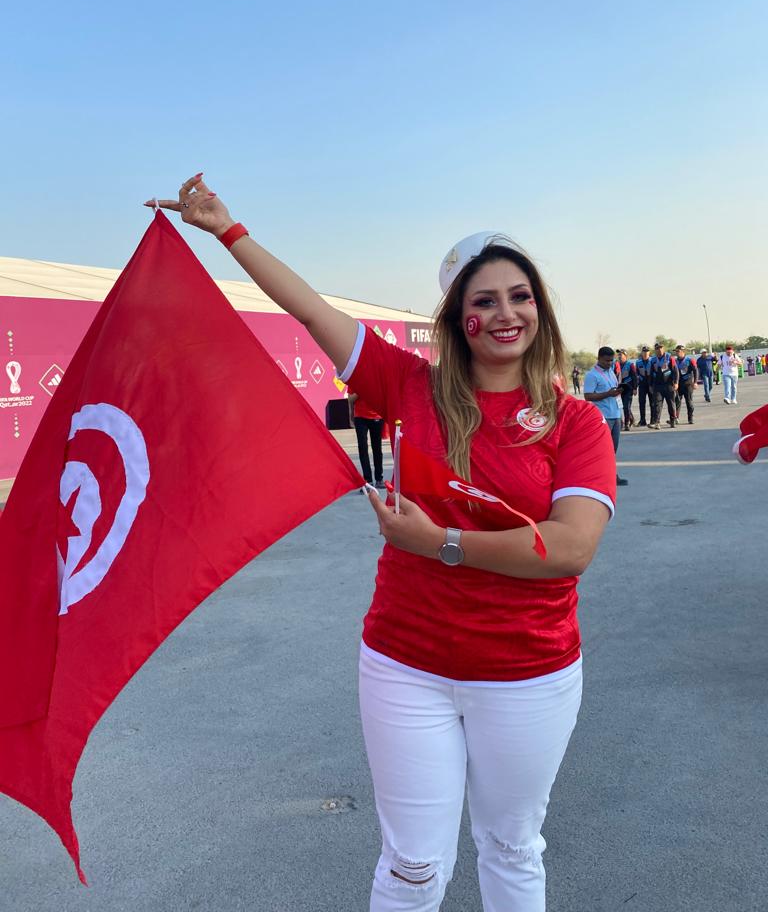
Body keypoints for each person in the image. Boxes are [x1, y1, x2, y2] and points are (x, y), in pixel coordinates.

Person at [147, 177, 616, 912]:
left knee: (512, 846)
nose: (505, 312)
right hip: (407, 663)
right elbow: (309, 309)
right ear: (459, 320)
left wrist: (441, 543)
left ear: (540, 309)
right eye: (483, 300)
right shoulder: (407, 384)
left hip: (528, 670)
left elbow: (570, 548)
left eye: (519, 296)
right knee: (412, 868)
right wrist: (228, 231)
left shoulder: (575, 422)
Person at [584, 347, 628, 486]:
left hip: (615, 414)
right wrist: (608, 394)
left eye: (611, 360)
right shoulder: (592, 375)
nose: (610, 363)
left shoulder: (611, 372)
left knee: (613, 449)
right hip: (603, 417)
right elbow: (588, 396)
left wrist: (619, 391)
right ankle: (599, 477)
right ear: (599, 358)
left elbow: (613, 390)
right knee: (602, 449)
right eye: (607, 360)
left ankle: (611, 475)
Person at [349, 392, 385, 490]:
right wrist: (361, 390)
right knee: (363, 447)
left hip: (376, 416)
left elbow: (383, 395)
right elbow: (350, 399)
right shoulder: (354, 377)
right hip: (360, 417)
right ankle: (367, 481)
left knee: (377, 448)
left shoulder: (376, 377)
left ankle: (379, 479)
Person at [648, 341, 678, 428]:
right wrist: (650, 385)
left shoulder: (669, 357)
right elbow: (650, 373)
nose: (659, 350)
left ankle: (672, 420)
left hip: (669, 384)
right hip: (658, 385)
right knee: (657, 404)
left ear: (663, 348)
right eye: (657, 348)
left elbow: (675, 371)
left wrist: (676, 382)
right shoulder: (653, 360)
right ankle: (657, 422)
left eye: (660, 348)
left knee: (671, 403)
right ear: (655, 350)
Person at [673, 345, 697, 425]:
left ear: (683, 352)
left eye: (678, 351)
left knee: (689, 402)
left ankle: (690, 418)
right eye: (676, 351)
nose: (677, 353)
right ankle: (676, 418)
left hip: (688, 384)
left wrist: (695, 382)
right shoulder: (674, 361)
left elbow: (695, 371)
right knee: (677, 401)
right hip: (678, 385)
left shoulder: (690, 360)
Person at [616, 349, 637, 430]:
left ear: (625, 356)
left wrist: (635, 388)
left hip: (628, 388)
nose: (619, 356)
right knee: (621, 406)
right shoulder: (616, 365)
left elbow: (634, 377)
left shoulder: (630, 365)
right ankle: (631, 419)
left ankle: (627, 423)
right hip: (619, 388)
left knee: (626, 406)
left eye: (621, 355)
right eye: (619, 355)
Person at [635, 345, 653, 426]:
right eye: (644, 352)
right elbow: (636, 375)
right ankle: (642, 420)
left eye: (647, 351)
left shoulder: (653, 361)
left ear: (649, 353)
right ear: (641, 353)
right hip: (642, 385)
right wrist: (635, 386)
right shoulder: (638, 362)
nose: (645, 353)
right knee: (642, 403)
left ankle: (653, 420)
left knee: (652, 403)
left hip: (651, 384)